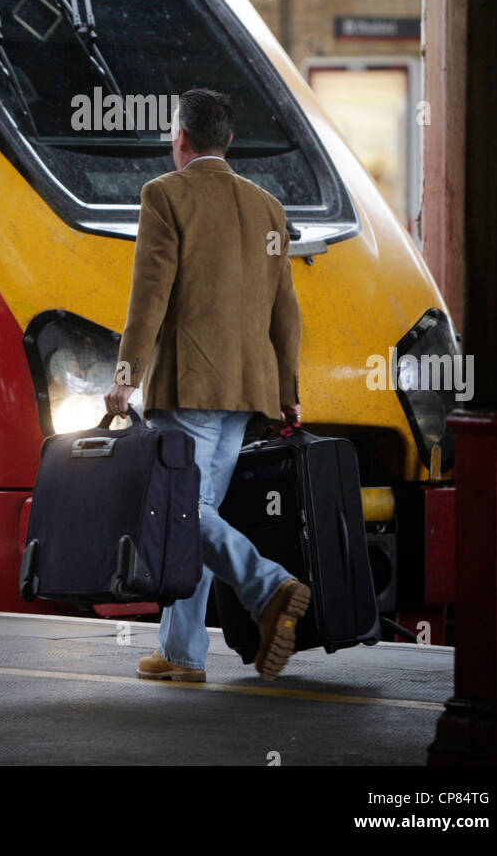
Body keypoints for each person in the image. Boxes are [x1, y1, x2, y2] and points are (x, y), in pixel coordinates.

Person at [104, 87, 310, 683]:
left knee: (180, 512)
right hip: (248, 392)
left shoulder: (166, 195)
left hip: (190, 385)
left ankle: (268, 587)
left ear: (181, 140)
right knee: (193, 513)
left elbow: (150, 296)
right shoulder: (268, 207)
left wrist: (125, 377)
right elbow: (285, 311)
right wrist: (287, 388)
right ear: (229, 141)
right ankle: (182, 655)